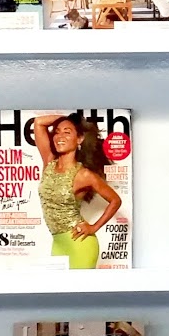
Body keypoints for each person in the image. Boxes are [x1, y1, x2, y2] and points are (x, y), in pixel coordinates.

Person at [31, 114, 123, 271]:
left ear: (79, 139)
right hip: (58, 243)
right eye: (57, 132)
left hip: (80, 244)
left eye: (67, 132)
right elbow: (39, 122)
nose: (60, 136)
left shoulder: (84, 175)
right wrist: (69, 119)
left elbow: (116, 200)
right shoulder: (49, 163)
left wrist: (93, 227)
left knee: (82, 293)